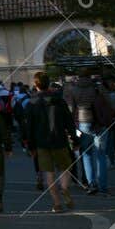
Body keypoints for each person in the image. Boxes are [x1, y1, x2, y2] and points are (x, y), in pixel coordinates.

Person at [22, 71, 77, 211]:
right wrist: (74, 138)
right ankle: (64, 188)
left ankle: (57, 203)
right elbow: (69, 121)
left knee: (49, 172)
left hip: (42, 143)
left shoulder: (31, 103)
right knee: (65, 167)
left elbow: (29, 126)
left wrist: (29, 144)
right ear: (48, 83)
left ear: (36, 84)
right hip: (60, 139)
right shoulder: (59, 100)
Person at [65, 68, 114, 195]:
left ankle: (91, 184)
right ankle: (103, 186)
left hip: (83, 124)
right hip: (100, 123)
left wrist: (72, 126)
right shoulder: (98, 88)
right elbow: (110, 102)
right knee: (101, 154)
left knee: (86, 154)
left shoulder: (73, 90)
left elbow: (71, 109)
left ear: (78, 77)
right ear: (90, 76)